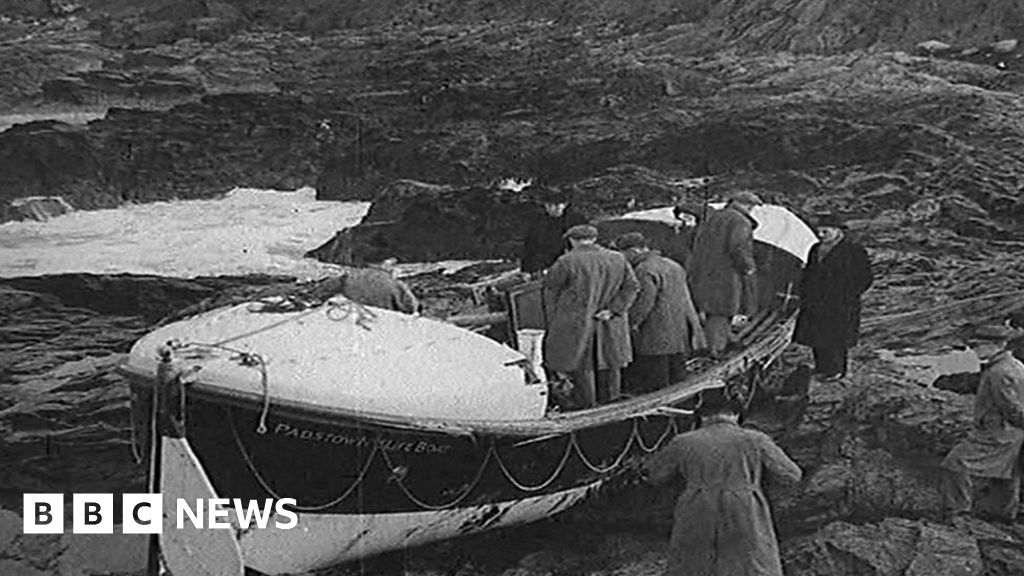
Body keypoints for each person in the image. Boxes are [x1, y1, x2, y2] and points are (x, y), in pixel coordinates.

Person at [646, 385, 802, 576]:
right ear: (735, 415)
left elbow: (656, 474)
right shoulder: (755, 439)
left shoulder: (684, 441)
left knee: (693, 565)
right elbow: (791, 474)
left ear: (702, 416)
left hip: (697, 506)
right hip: (744, 506)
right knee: (751, 564)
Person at [543, 224, 638, 408]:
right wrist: (613, 310)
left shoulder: (567, 261)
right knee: (611, 364)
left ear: (572, 240)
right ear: (594, 239)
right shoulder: (618, 258)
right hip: (610, 322)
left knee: (581, 365)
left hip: (577, 322)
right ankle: (614, 408)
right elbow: (632, 286)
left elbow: (551, 286)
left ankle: (586, 409)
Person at [941, 333, 1024, 522]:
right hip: (1012, 432)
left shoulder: (999, 372)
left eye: (979, 345)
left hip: (997, 432)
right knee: (1007, 471)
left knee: (954, 464)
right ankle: (1003, 514)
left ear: (997, 344)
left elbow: (1012, 408)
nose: (974, 349)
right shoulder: (1016, 365)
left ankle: (957, 513)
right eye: (974, 344)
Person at [614, 232, 706, 393]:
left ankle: (658, 412)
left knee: (656, 383)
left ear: (633, 251)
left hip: (655, 334)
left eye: (623, 254)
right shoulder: (673, 265)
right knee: (677, 378)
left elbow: (643, 304)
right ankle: (682, 410)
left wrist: (630, 325)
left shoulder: (644, 270)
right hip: (679, 332)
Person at [793, 213, 873, 381]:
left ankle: (837, 370)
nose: (821, 236)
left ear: (838, 231)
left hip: (840, 302)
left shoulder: (853, 250)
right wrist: (804, 292)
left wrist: (849, 294)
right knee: (817, 335)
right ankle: (821, 367)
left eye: (825, 232)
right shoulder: (815, 249)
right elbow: (809, 273)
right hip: (815, 300)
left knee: (837, 337)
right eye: (819, 232)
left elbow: (865, 277)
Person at [687, 190, 762, 357]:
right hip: (725, 274)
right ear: (745, 205)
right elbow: (738, 247)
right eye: (751, 207)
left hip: (703, 271)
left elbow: (693, 240)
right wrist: (748, 267)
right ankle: (715, 349)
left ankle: (726, 338)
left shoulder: (713, 216)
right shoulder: (740, 221)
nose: (752, 210)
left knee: (708, 306)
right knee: (721, 310)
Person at [520, 186, 588, 276]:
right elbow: (530, 246)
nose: (552, 208)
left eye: (556, 205)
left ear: (564, 204)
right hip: (544, 266)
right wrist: (527, 269)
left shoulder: (575, 221)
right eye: (549, 205)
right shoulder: (538, 222)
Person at [314, 257, 420, 314]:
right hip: (384, 323)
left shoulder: (347, 277)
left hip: (349, 320)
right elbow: (411, 308)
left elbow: (320, 293)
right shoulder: (396, 285)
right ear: (388, 265)